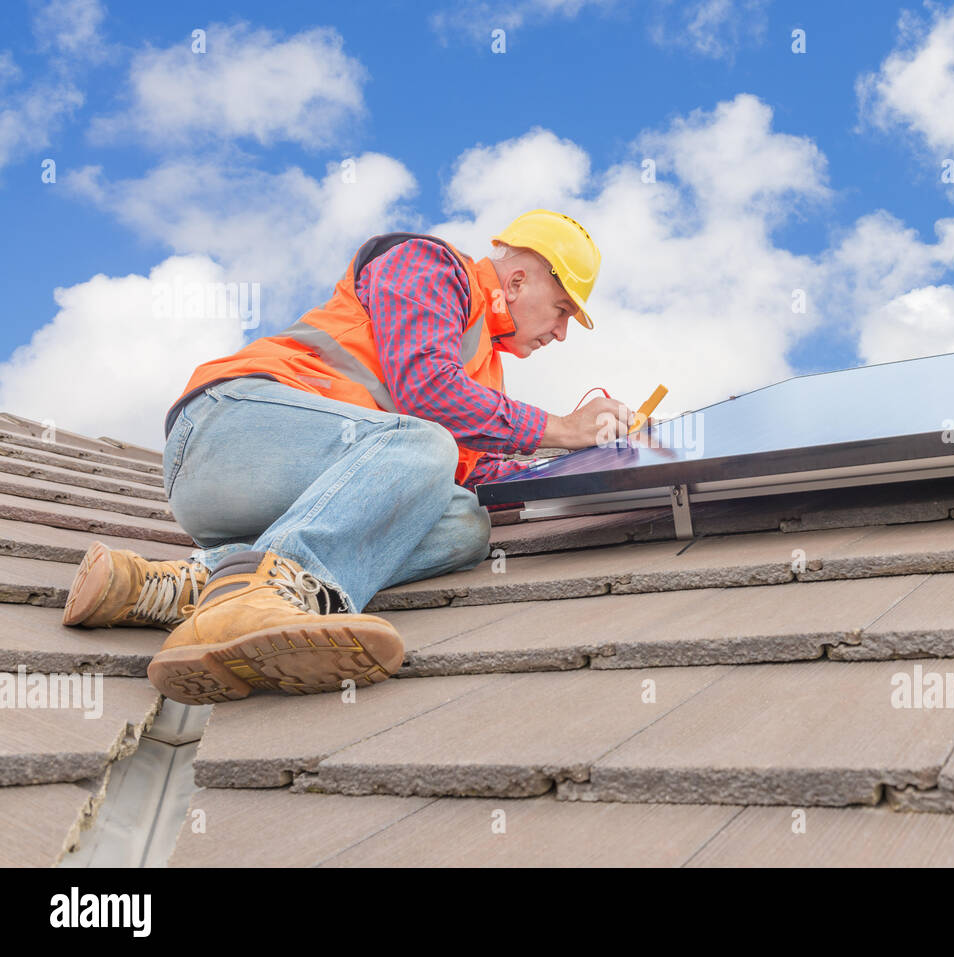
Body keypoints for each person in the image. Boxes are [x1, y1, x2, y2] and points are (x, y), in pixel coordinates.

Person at [62, 210, 633, 706]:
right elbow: (427, 390)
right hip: (225, 431)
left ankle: (188, 585)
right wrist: (561, 430)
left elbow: (472, 478)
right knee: (424, 440)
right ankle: (268, 592)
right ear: (515, 280)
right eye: (561, 310)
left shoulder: (483, 367)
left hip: (287, 491)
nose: (561, 333)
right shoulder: (430, 266)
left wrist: (600, 466)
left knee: (464, 523)